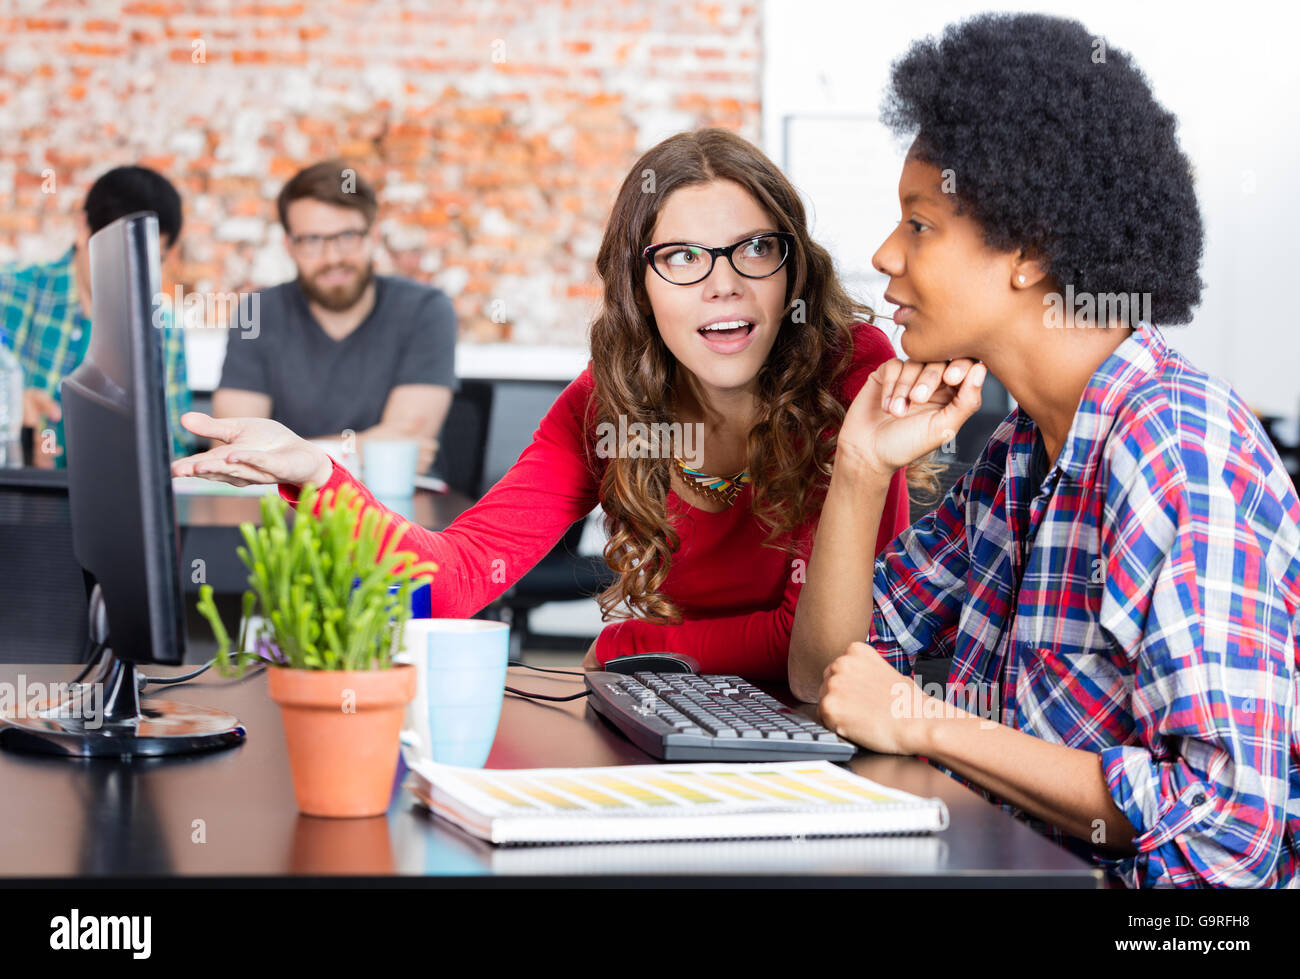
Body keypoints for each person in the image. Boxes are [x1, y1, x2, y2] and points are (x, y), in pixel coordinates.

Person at [790, 13, 1300, 888]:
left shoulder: (1178, 449)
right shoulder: (1019, 454)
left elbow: (1227, 829)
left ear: (1026, 249)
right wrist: (862, 466)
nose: (882, 255)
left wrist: (923, 721)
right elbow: (830, 677)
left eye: (919, 225)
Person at [172, 128, 919, 680]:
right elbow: (458, 575)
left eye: (756, 248)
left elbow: (821, 650)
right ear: (639, 286)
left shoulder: (852, 374)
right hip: (682, 714)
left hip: (830, 737)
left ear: (792, 268)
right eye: (682, 257)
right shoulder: (609, 402)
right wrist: (315, 473)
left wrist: (631, 645)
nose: (723, 283)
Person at [214, 161, 455, 474]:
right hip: (284, 509)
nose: (332, 258)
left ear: (374, 236)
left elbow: (407, 442)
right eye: (312, 241)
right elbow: (230, 451)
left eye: (347, 236)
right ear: (290, 246)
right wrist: (364, 450)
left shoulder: (426, 310)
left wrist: (279, 458)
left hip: (395, 512)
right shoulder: (256, 313)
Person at [0, 165, 194, 465]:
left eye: (149, 261)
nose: (131, 275)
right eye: (117, 254)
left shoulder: (164, 329)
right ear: (83, 228)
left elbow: (174, 449)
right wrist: (15, 419)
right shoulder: (9, 293)